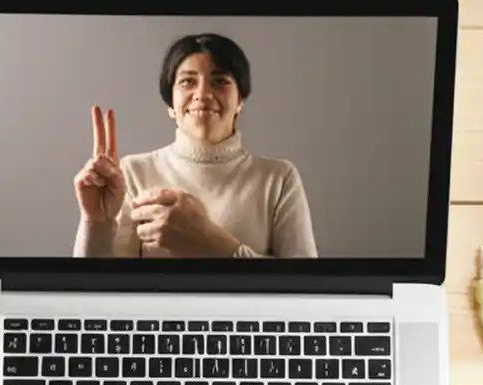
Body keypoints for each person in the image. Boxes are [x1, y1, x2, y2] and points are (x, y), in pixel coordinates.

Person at [72, 33, 318, 258]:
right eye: (187, 81)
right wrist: (96, 224)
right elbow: (101, 292)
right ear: (170, 104)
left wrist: (214, 243)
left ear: (240, 99)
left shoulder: (278, 179)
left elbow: (306, 292)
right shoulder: (133, 173)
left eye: (220, 81)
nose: (203, 93)